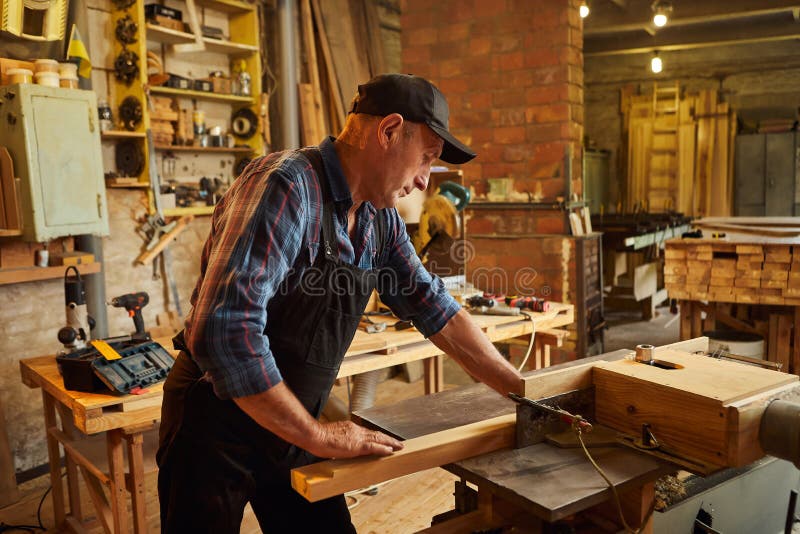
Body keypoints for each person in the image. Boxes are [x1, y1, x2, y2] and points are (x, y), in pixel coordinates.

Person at [157, 73, 524, 533]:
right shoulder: (287, 186)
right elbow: (225, 331)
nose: (423, 181)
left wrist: (524, 392)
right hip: (213, 422)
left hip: (291, 419)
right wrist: (317, 435)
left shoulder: (379, 219)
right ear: (389, 131)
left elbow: (435, 307)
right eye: (426, 158)